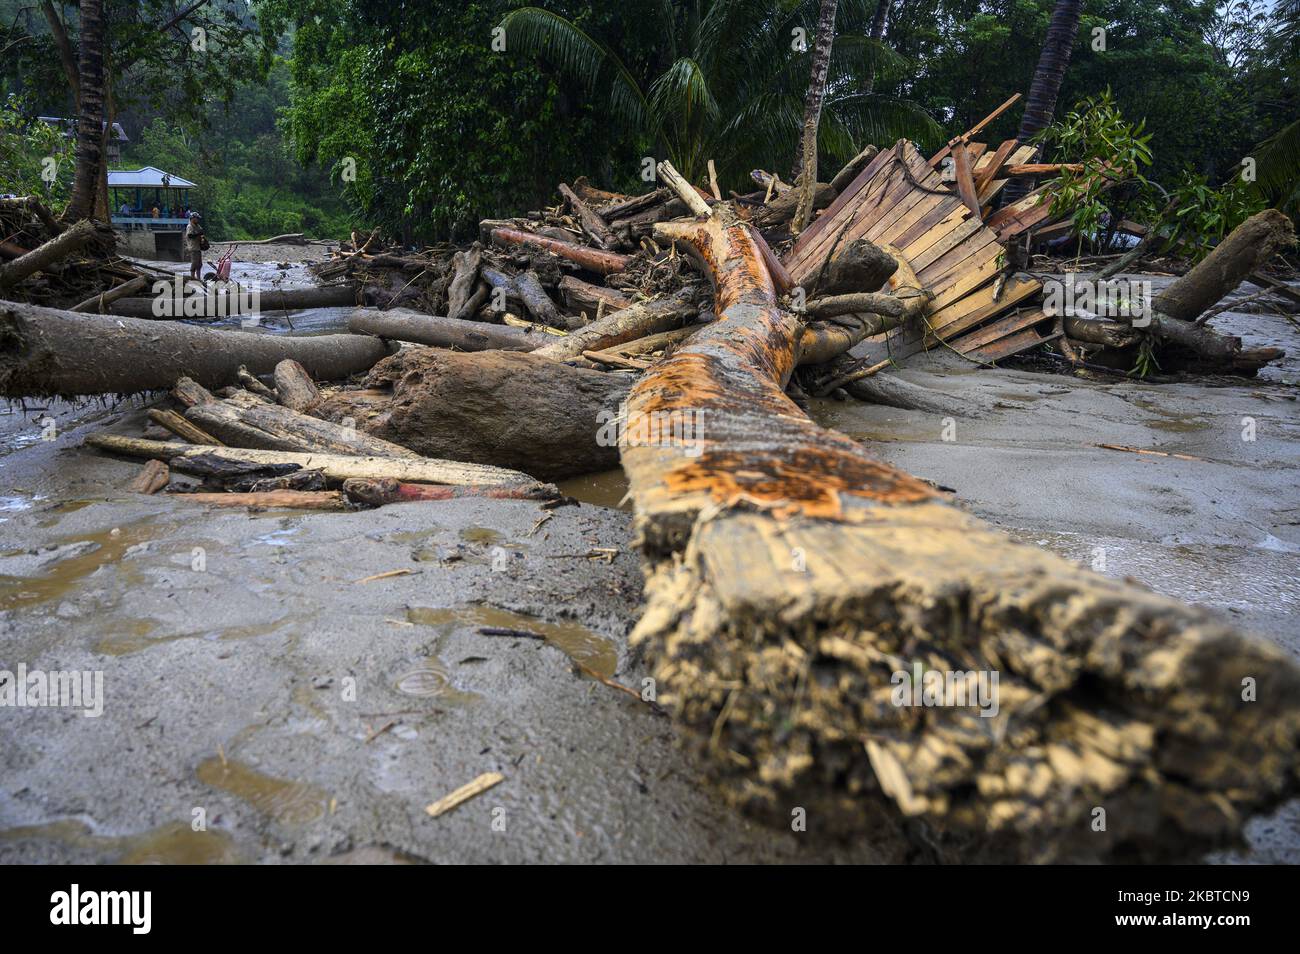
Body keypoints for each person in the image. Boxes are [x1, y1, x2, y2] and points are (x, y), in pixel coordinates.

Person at [185, 211, 206, 280]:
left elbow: (201, 232)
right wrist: (198, 234)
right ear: (193, 218)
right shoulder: (190, 226)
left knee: (199, 264)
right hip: (193, 247)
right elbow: (190, 235)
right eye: (196, 218)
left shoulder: (197, 226)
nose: (198, 220)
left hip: (198, 247)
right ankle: (192, 278)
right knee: (194, 263)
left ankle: (198, 278)